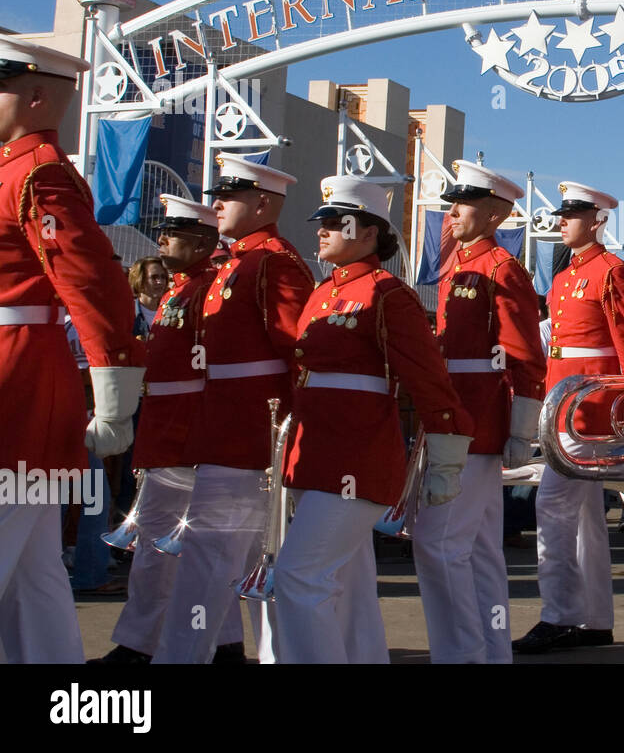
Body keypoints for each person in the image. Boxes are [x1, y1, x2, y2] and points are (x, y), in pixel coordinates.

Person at [273, 176, 473, 663]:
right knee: (345, 585)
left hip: (356, 459)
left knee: (298, 575)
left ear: (369, 233)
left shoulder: (388, 295)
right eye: (320, 222)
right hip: (314, 454)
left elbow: (430, 382)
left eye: (335, 222)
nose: (321, 231)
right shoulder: (322, 294)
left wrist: (446, 459)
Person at [0, 35, 144, 662]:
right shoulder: (16, 168)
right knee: (33, 574)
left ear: (35, 96)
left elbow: (91, 282)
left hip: (20, 376)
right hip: (22, 369)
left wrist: (113, 386)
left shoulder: (39, 173)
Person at [153, 153, 314, 664]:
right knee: (239, 561)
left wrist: (287, 437)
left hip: (249, 435)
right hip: (225, 429)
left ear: (263, 202)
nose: (217, 202)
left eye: (231, 194)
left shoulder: (273, 262)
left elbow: (299, 350)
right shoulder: (239, 263)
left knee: (214, 559)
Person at [410, 160, 545, 664]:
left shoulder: (501, 269)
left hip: (475, 425)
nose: (452, 212)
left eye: (463, 203)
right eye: (452, 202)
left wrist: (520, 430)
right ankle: (488, 652)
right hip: (455, 419)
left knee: (439, 545)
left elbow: (527, 356)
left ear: (494, 214)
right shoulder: (459, 265)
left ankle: (461, 654)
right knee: (482, 552)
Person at [513, 181, 624, 655]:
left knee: (552, 506)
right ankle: (594, 619)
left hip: (590, 410)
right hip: (564, 403)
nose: (562, 221)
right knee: (585, 517)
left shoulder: (613, 272)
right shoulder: (566, 275)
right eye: (561, 215)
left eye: (572, 215)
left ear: (597, 220)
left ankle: (560, 615)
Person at [91, 195, 219, 663]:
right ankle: (145, 641)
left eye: (174, 231)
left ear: (202, 241)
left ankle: (148, 645)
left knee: (176, 549)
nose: (161, 237)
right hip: (163, 428)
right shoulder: (177, 291)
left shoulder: (211, 289)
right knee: (154, 545)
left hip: (189, 431)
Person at [128, 256, 167, 337]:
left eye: (163, 277)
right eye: (154, 277)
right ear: (139, 280)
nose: (160, 282)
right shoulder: (128, 315)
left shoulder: (169, 314)